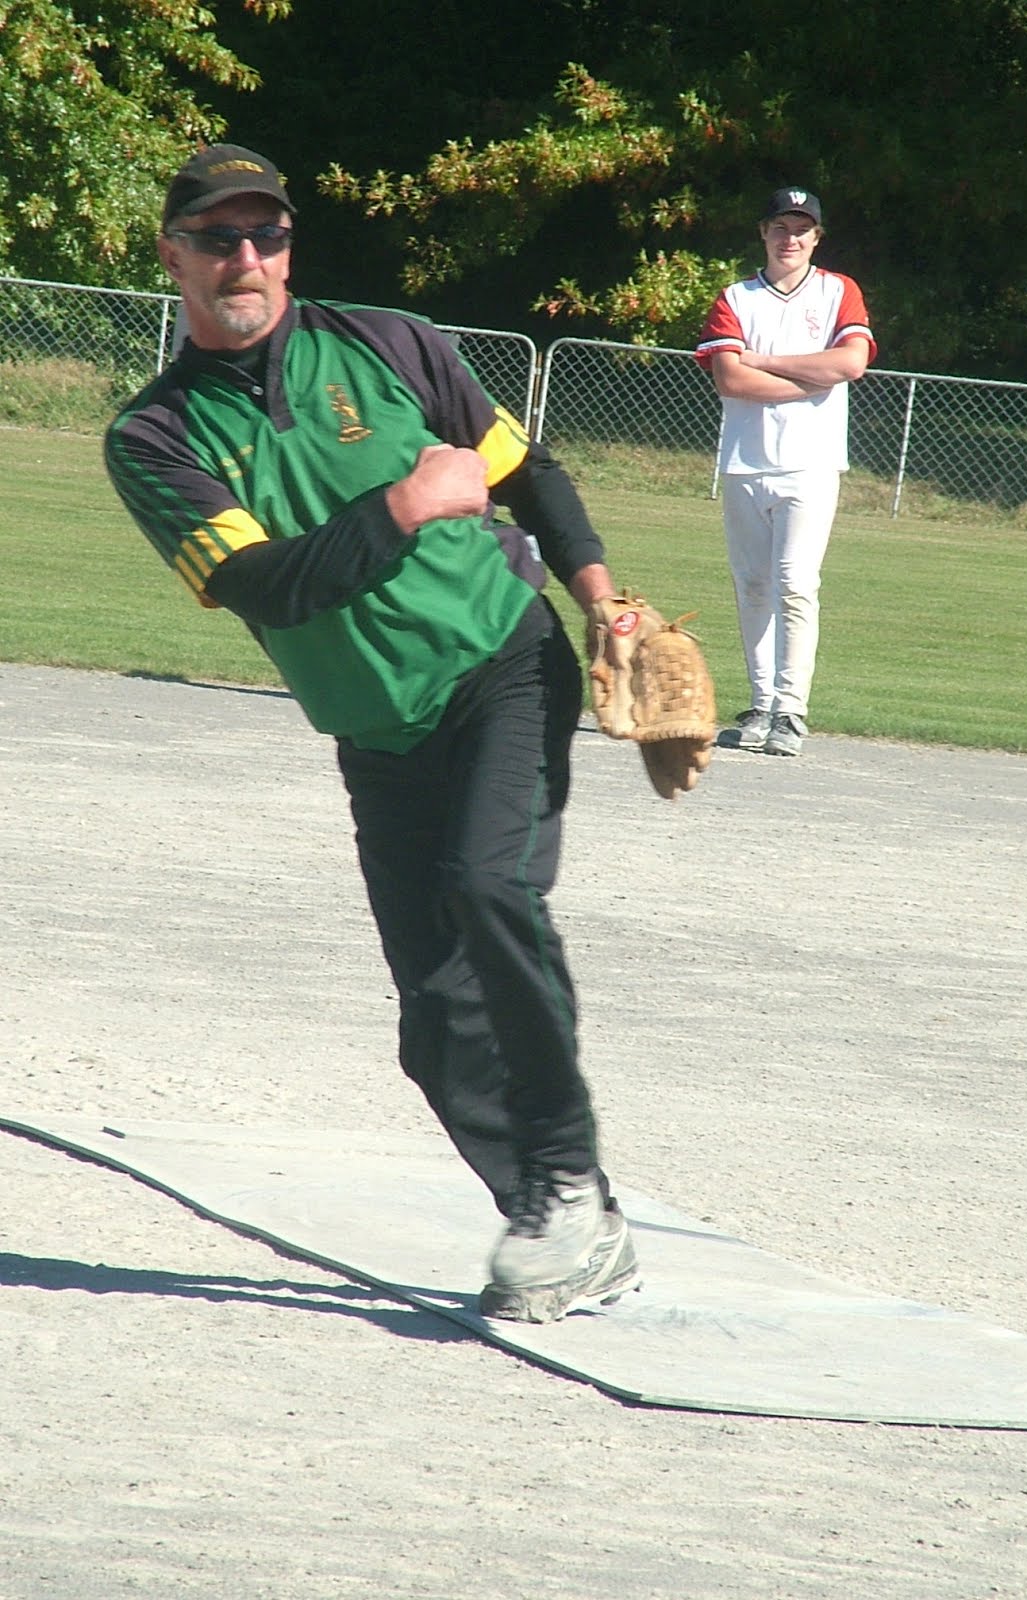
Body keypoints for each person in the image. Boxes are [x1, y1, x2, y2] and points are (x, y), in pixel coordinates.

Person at [105, 143, 640, 1325]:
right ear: (173, 255)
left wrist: (601, 598)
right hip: (377, 730)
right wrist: (405, 501)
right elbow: (272, 586)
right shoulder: (155, 438)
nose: (246, 258)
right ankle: (576, 1214)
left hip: (507, 658)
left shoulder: (389, 343)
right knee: (436, 1025)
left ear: (291, 249)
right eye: (217, 237)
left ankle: (557, 1182)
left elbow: (526, 474)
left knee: (491, 889)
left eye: (267, 236)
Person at [696, 186, 876, 756]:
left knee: (796, 584)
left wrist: (766, 360)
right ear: (764, 233)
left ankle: (791, 712)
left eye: (801, 228)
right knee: (752, 586)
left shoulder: (837, 291)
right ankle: (759, 705)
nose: (790, 237)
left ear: (816, 237)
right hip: (746, 463)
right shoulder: (736, 297)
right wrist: (811, 379)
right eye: (780, 226)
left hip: (811, 463)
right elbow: (731, 379)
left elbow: (851, 362)